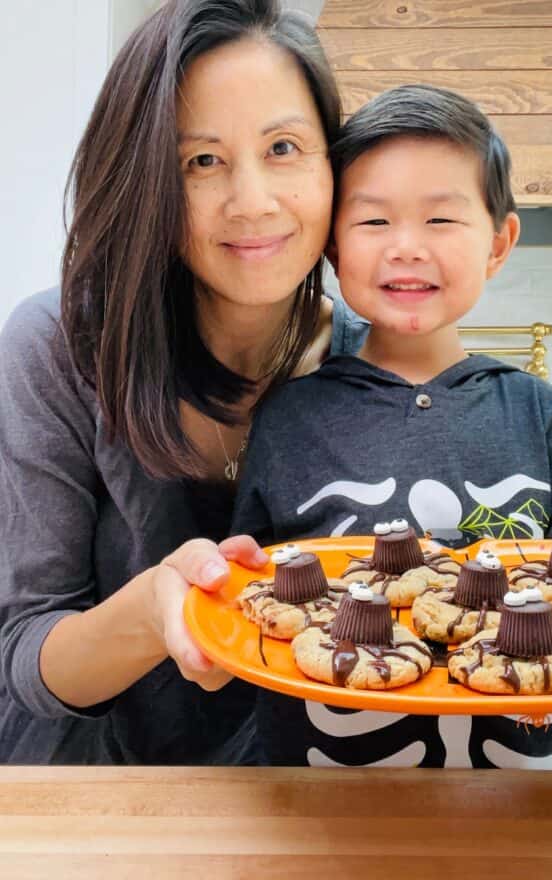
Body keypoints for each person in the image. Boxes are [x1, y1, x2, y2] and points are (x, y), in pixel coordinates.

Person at [232, 84, 552, 769]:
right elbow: (253, 596)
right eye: (373, 221)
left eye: (440, 219)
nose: (406, 247)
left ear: (498, 243)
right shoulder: (288, 418)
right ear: (331, 248)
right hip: (324, 789)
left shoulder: (539, 410)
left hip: (537, 784)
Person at [0, 0, 368, 764]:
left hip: (307, 798)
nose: (252, 202)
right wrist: (152, 613)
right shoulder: (58, 348)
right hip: (91, 796)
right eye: (201, 161)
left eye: (283, 147)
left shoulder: (379, 366)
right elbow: (26, 652)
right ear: (142, 183)